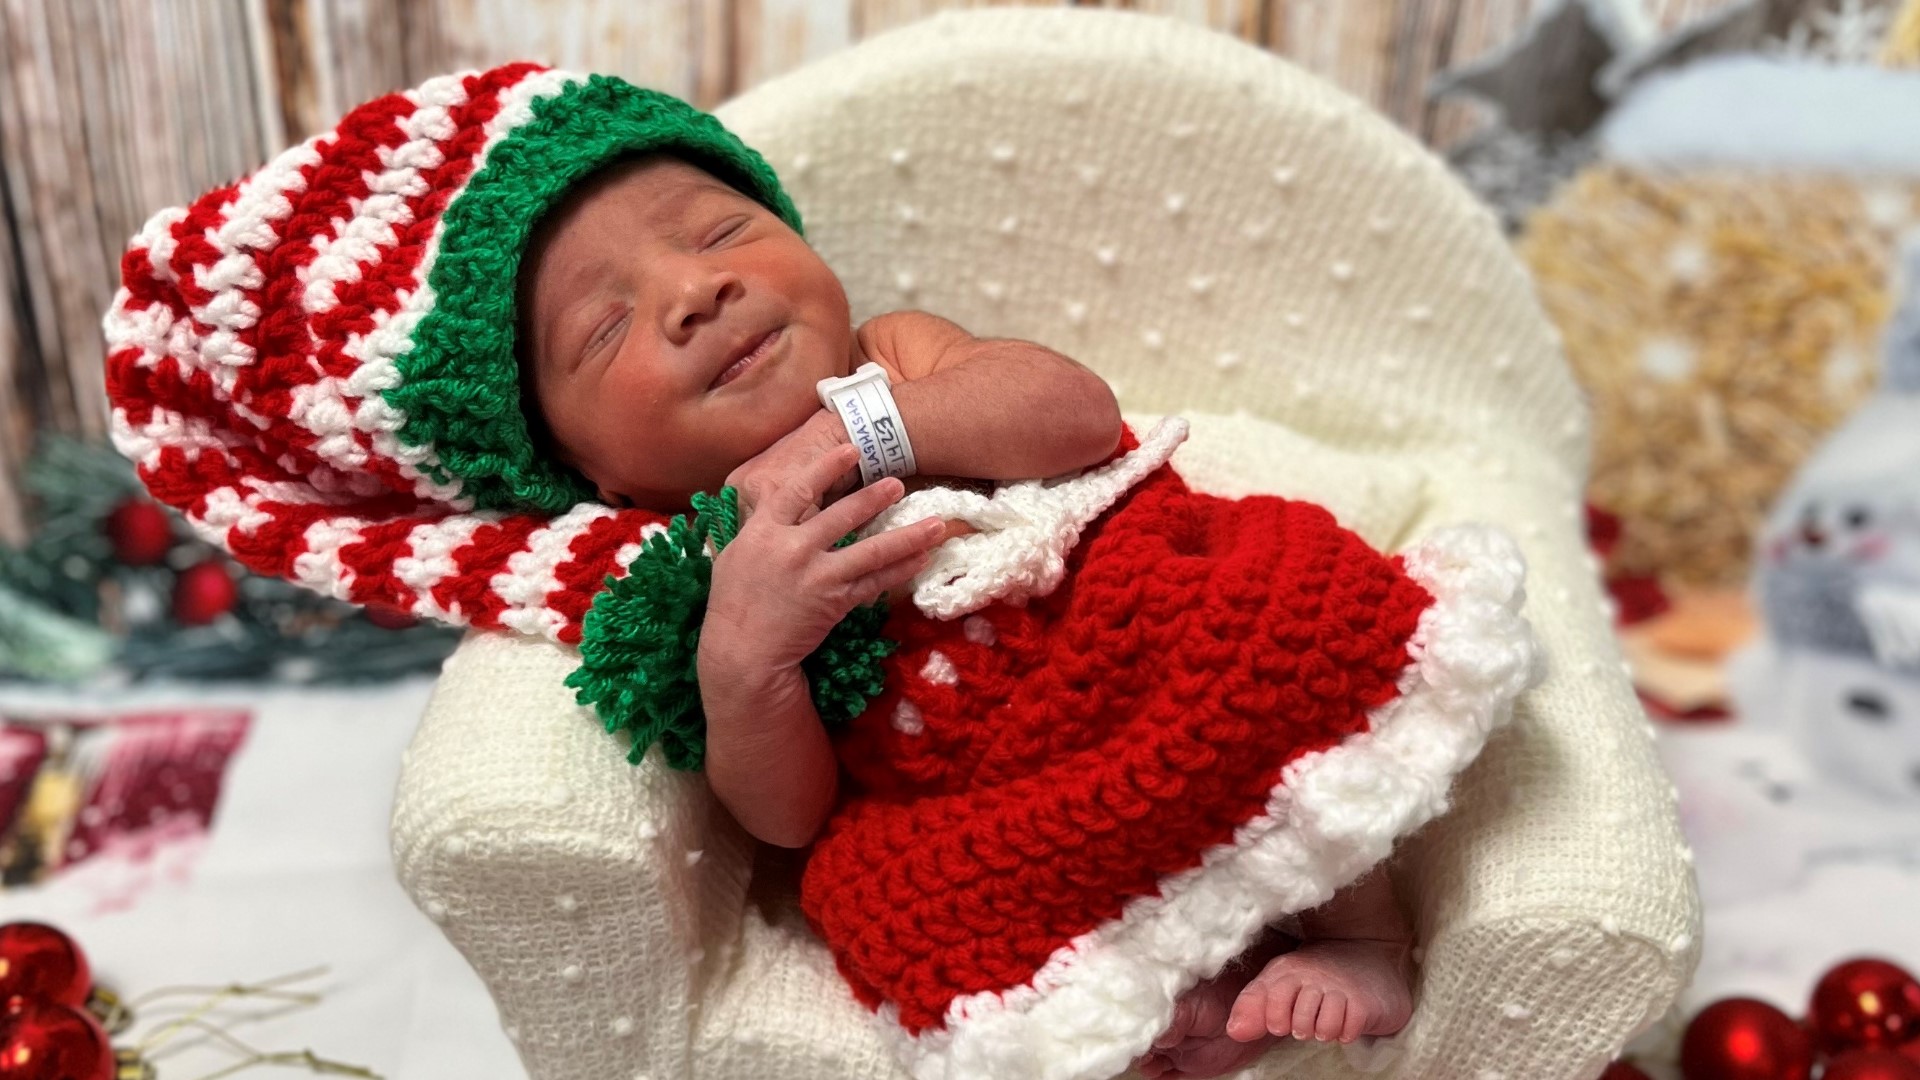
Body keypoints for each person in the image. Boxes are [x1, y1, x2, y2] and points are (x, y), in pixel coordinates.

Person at [105, 64, 1536, 1080]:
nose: (693, 290)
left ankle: (1362, 932)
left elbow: (1073, 417)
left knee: (1290, 643)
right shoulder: (684, 562)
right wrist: (750, 654)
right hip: (975, 777)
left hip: (1146, 615)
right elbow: (786, 819)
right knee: (899, 897)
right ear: (593, 473)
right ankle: (1168, 992)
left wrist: (887, 424)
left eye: (719, 231)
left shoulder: (897, 353)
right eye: (606, 333)